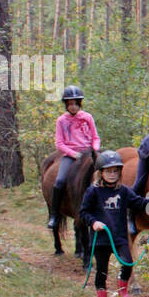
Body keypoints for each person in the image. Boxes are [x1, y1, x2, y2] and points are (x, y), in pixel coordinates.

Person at [79, 151, 149, 297]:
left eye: (115, 171)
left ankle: (123, 291)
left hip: (119, 237)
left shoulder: (124, 191)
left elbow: (138, 202)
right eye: (108, 171)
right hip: (101, 238)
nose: (112, 174)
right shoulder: (93, 191)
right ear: (101, 173)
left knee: (128, 263)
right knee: (102, 270)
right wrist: (94, 222)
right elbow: (84, 212)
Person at [49, 86, 101, 229]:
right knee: (59, 181)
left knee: (109, 172)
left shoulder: (87, 117)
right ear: (66, 105)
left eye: (75, 103)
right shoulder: (61, 121)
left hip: (89, 153)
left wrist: (95, 150)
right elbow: (59, 143)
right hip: (71, 155)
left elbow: (95, 137)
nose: (73, 107)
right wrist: (73, 154)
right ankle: (54, 214)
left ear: (80, 103)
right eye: (70, 104)